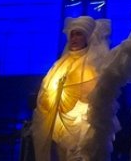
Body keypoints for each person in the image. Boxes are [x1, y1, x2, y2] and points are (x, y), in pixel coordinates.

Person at [30, 16, 111, 160]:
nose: (74, 38)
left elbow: (97, 93)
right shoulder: (59, 65)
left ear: (86, 37)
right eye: (72, 34)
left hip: (82, 125)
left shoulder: (93, 63)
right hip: (60, 126)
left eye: (78, 34)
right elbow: (46, 92)